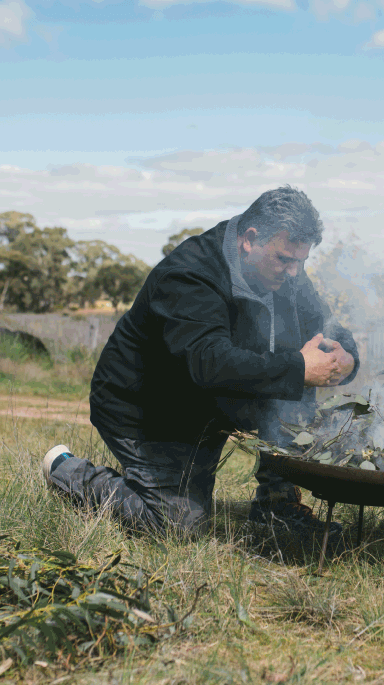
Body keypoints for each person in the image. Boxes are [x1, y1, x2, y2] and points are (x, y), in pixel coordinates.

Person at [42, 185, 360, 538]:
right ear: (250, 239)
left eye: (301, 261)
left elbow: (325, 327)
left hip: (213, 399)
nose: (294, 272)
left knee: (298, 374)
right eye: (285, 259)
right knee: (177, 524)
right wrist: (300, 368)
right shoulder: (189, 275)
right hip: (149, 408)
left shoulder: (287, 274)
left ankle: (277, 505)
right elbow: (210, 363)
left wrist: (346, 357)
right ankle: (67, 470)